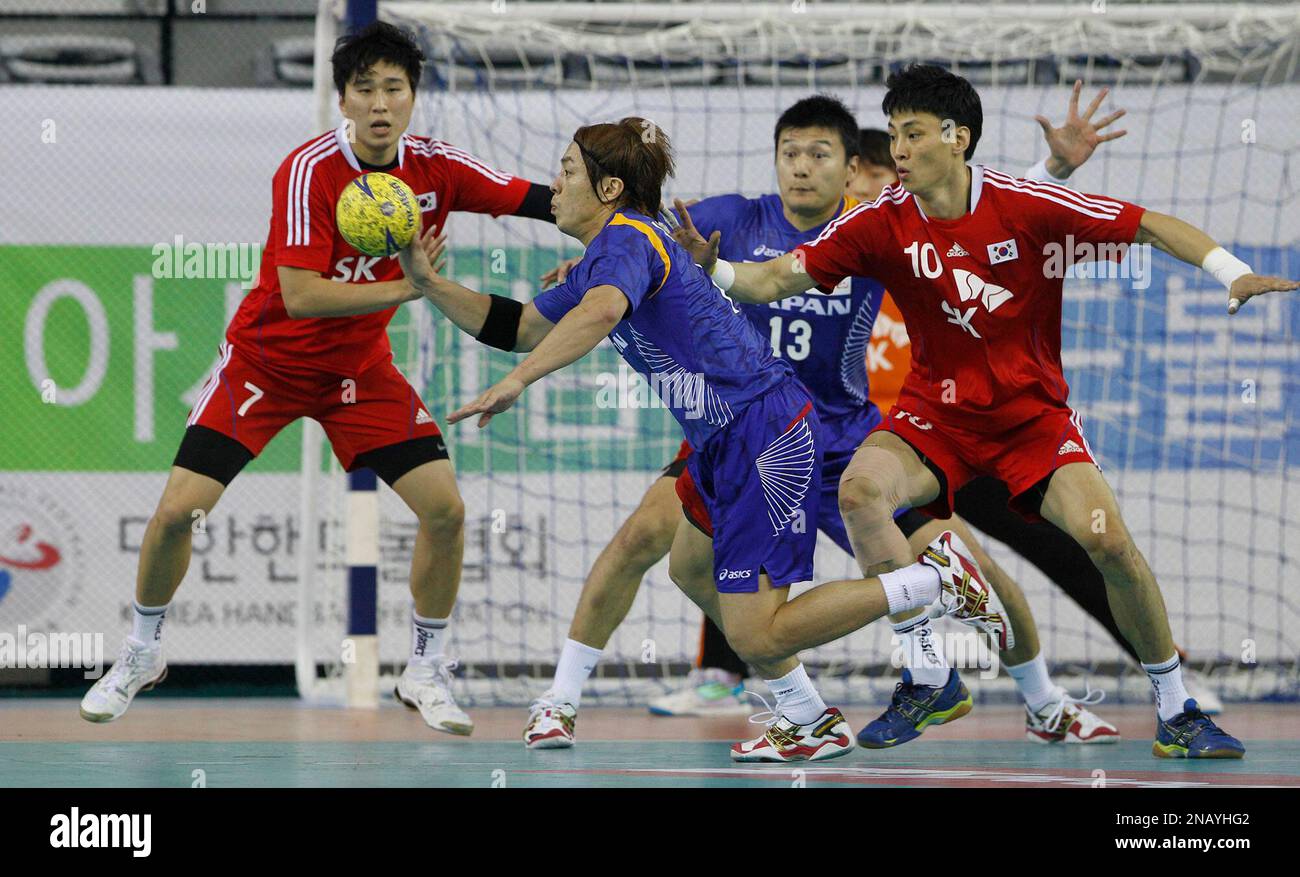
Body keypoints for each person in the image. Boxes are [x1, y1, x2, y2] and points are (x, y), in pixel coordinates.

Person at [677, 64, 1299, 758]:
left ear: (958, 137)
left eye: (913, 135)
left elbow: (1149, 226)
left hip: (1031, 422)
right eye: (894, 136)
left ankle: (1175, 704)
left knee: (1107, 543)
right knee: (860, 490)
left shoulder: (1028, 205)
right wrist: (718, 272)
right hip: (933, 421)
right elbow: (776, 277)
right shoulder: (879, 223)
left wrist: (1230, 271)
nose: (899, 151)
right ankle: (927, 672)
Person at [401, 117, 1006, 762]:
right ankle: (808, 718)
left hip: (763, 435)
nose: (554, 184)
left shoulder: (628, 241)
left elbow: (601, 314)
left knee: (760, 633)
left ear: (608, 188)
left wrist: (517, 383)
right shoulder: (608, 253)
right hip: (722, 439)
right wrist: (429, 284)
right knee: (690, 568)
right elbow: (520, 325)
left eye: (568, 171)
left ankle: (928, 583)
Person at [535, 89, 1126, 749]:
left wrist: (1057, 170)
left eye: (819, 154)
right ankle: (567, 699)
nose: (801, 167)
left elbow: (984, 217)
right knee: (655, 547)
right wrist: (593, 266)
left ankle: (1042, 699)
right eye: (789, 152)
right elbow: (634, 237)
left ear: (850, 170)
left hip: (844, 442)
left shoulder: (876, 226)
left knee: (976, 567)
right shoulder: (731, 217)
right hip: (742, 431)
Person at [79, 21, 560, 735]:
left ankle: (425, 667)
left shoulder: (437, 168)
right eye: (363, 88)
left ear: (411, 97)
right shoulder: (307, 170)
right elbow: (302, 294)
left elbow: (544, 201)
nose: (379, 104)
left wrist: (613, 241)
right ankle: (141, 651)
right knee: (178, 510)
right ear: (342, 99)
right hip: (265, 366)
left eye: (393, 88)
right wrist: (412, 287)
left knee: (446, 510)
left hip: (360, 372)